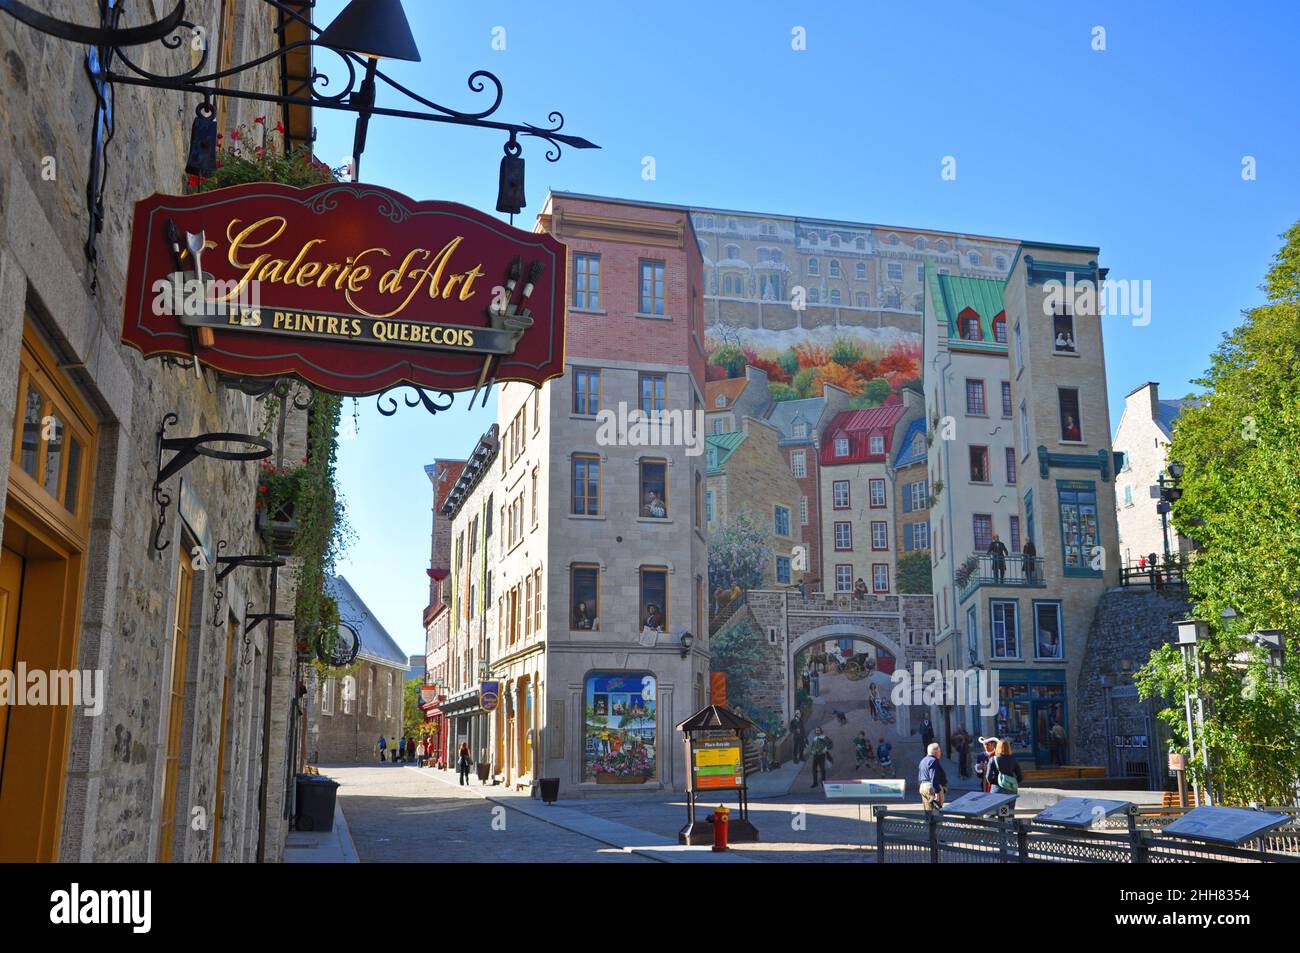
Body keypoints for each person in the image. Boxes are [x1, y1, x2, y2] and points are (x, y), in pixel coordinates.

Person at [987, 738, 1024, 804]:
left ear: (997, 747)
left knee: (993, 811)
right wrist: (1012, 783)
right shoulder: (1014, 760)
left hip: (997, 789)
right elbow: (1020, 777)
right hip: (1011, 790)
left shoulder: (993, 760)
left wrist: (995, 782)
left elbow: (988, 777)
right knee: (1009, 812)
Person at [918, 742, 948, 811]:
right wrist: (937, 792)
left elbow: (920, 777)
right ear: (936, 752)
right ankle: (936, 822)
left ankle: (929, 821)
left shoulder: (923, 760)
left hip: (923, 787)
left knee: (928, 810)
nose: (940, 753)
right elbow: (934, 777)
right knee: (936, 810)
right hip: (931, 787)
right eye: (940, 751)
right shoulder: (933, 761)